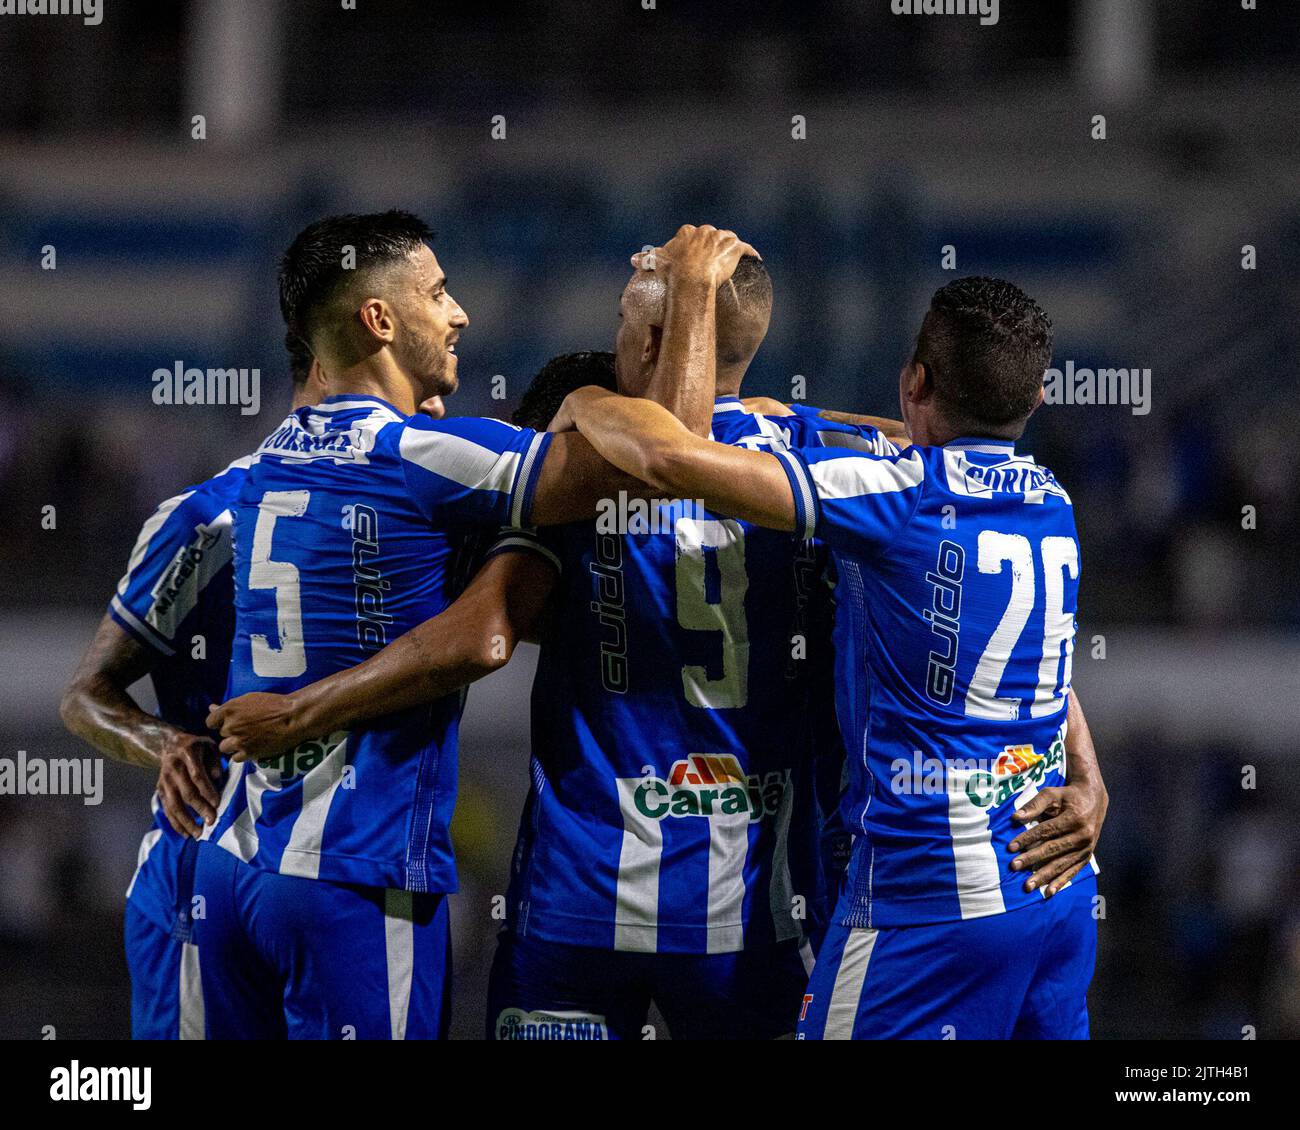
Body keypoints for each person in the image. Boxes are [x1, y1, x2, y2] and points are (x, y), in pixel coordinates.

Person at [194, 213, 754, 1038]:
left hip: (229, 867)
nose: (457, 314)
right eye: (437, 293)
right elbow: (668, 455)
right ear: (379, 321)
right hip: (353, 867)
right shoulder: (424, 455)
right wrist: (601, 387)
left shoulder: (263, 458)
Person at [553, 273, 1107, 1039]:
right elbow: (1033, 663)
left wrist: (586, 401)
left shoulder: (893, 494)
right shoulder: (1051, 497)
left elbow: (670, 458)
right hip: (1059, 892)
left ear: (915, 380)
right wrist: (1089, 771)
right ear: (1035, 399)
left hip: (928, 900)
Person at [58, 334, 325, 1039]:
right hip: (201, 871)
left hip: (339, 876)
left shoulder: (411, 515)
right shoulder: (210, 522)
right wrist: (164, 742)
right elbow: (86, 693)